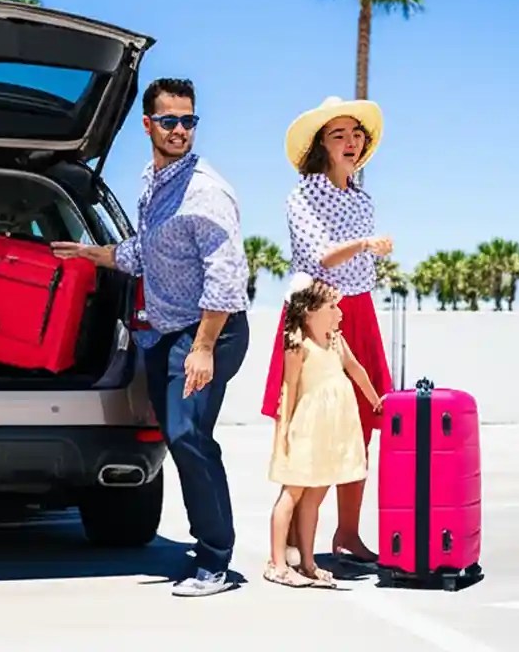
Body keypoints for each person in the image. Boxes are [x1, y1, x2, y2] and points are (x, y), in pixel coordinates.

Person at [50, 78, 250, 598]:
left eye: (188, 120)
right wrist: (90, 254)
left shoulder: (207, 191)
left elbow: (226, 279)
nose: (180, 129)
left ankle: (214, 562)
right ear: (149, 125)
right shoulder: (151, 182)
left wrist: (203, 348)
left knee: (188, 437)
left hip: (210, 330)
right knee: (179, 437)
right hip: (164, 331)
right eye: (170, 121)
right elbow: (143, 252)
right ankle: (211, 551)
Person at [260, 96, 393, 567]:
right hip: (316, 312)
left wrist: (364, 246)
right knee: (306, 422)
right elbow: (319, 257)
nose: (350, 141)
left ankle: (348, 535)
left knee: (361, 426)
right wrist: (363, 244)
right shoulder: (305, 194)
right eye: (338, 134)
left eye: (355, 133)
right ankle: (292, 542)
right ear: (322, 144)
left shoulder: (362, 197)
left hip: (358, 310)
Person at [265, 273, 383, 589]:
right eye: (333, 306)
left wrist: (375, 401)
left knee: (314, 497)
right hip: (305, 428)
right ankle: (278, 564)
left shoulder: (335, 340)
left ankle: (306, 563)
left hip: (331, 430)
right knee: (291, 494)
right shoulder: (296, 345)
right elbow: (288, 389)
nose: (340, 312)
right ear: (311, 310)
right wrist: (285, 430)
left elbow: (357, 370)